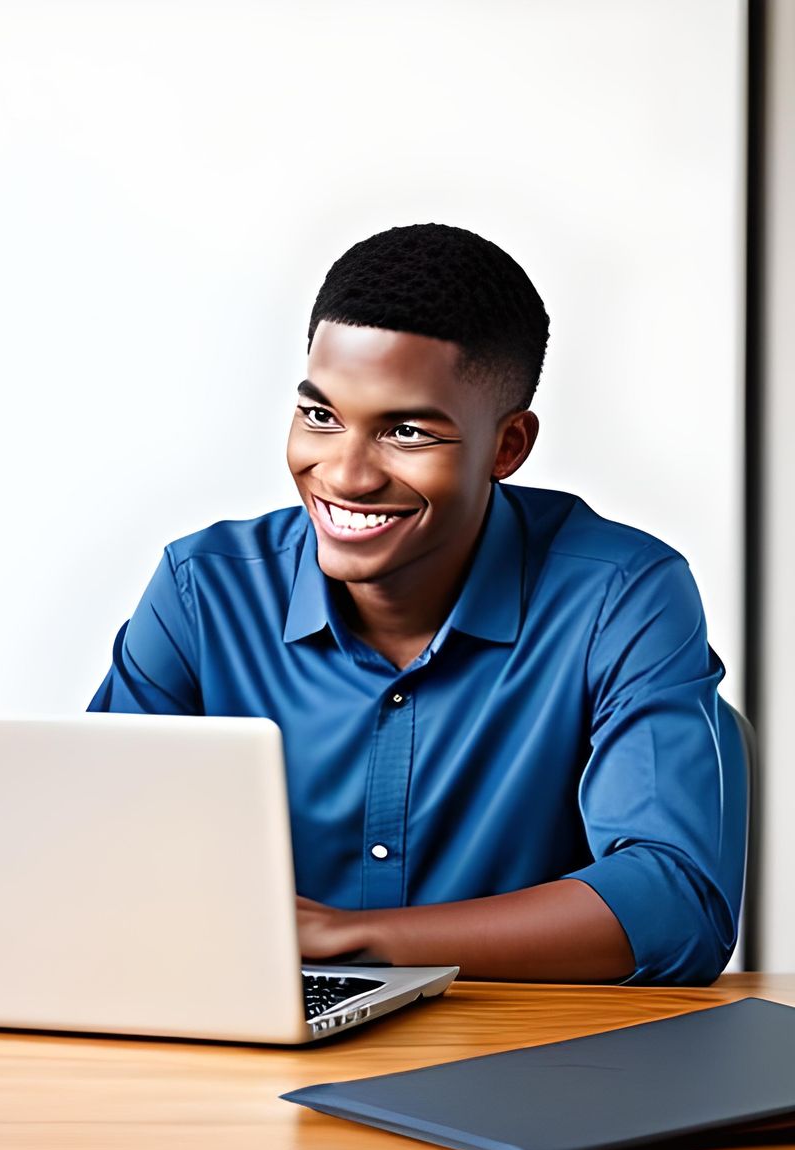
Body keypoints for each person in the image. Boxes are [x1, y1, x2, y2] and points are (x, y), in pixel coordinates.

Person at [89, 223, 743, 985]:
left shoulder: (621, 594)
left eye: (405, 432)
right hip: (246, 1034)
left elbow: (676, 907)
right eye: (321, 416)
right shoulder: (204, 588)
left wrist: (351, 939)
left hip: (523, 1048)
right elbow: (95, 852)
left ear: (507, 446)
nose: (346, 475)